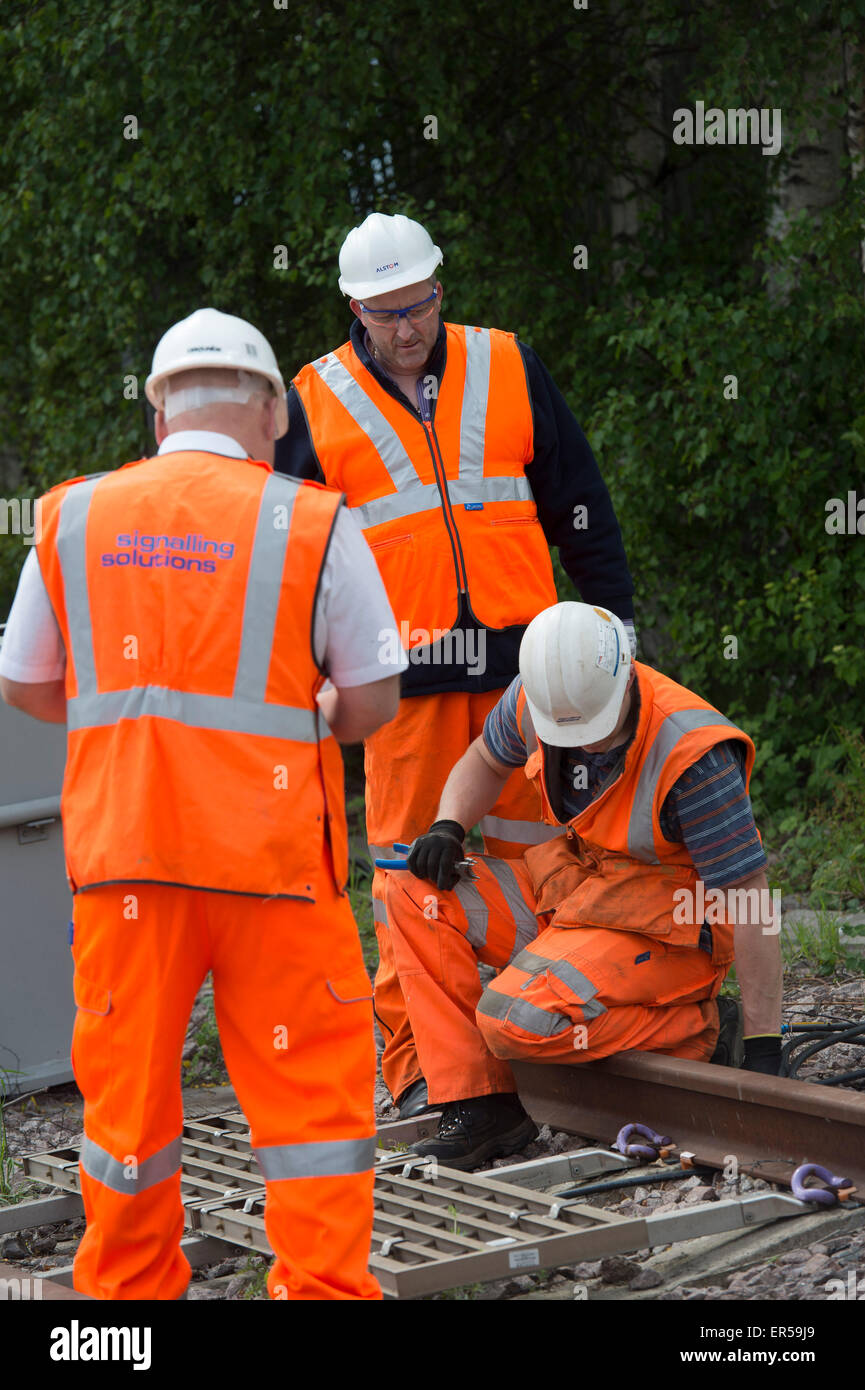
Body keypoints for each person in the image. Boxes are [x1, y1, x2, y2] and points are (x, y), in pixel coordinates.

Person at [0, 307, 407, 1300]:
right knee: (311, 1107)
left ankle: (128, 1308)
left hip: (128, 866)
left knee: (127, 1109)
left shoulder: (76, 515)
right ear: (270, 409)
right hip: (272, 872)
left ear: (158, 414)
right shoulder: (314, 520)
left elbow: (25, 681)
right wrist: (308, 714)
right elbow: (372, 701)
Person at [276, 211, 637, 1117]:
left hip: (531, 671)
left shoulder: (506, 362)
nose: (408, 325)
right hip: (406, 681)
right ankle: (428, 1075)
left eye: (421, 303)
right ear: (354, 308)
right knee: (410, 876)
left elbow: (578, 502)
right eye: (387, 310)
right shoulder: (311, 400)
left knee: (549, 857)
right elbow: (292, 560)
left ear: (441, 288)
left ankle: (553, 1038)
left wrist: (613, 632)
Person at [384, 602, 783, 1171]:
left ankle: (703, 1027)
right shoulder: (540, 692)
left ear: (626, 673)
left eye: (594, 729)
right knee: (409, 893)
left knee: (512, 1020)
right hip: (580, 892)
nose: (585, 745)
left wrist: (766, 1048)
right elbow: (484, 759)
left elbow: (750, 899)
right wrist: (449, 824)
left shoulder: (692, 755)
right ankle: (483, 1104)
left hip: (670, 928)